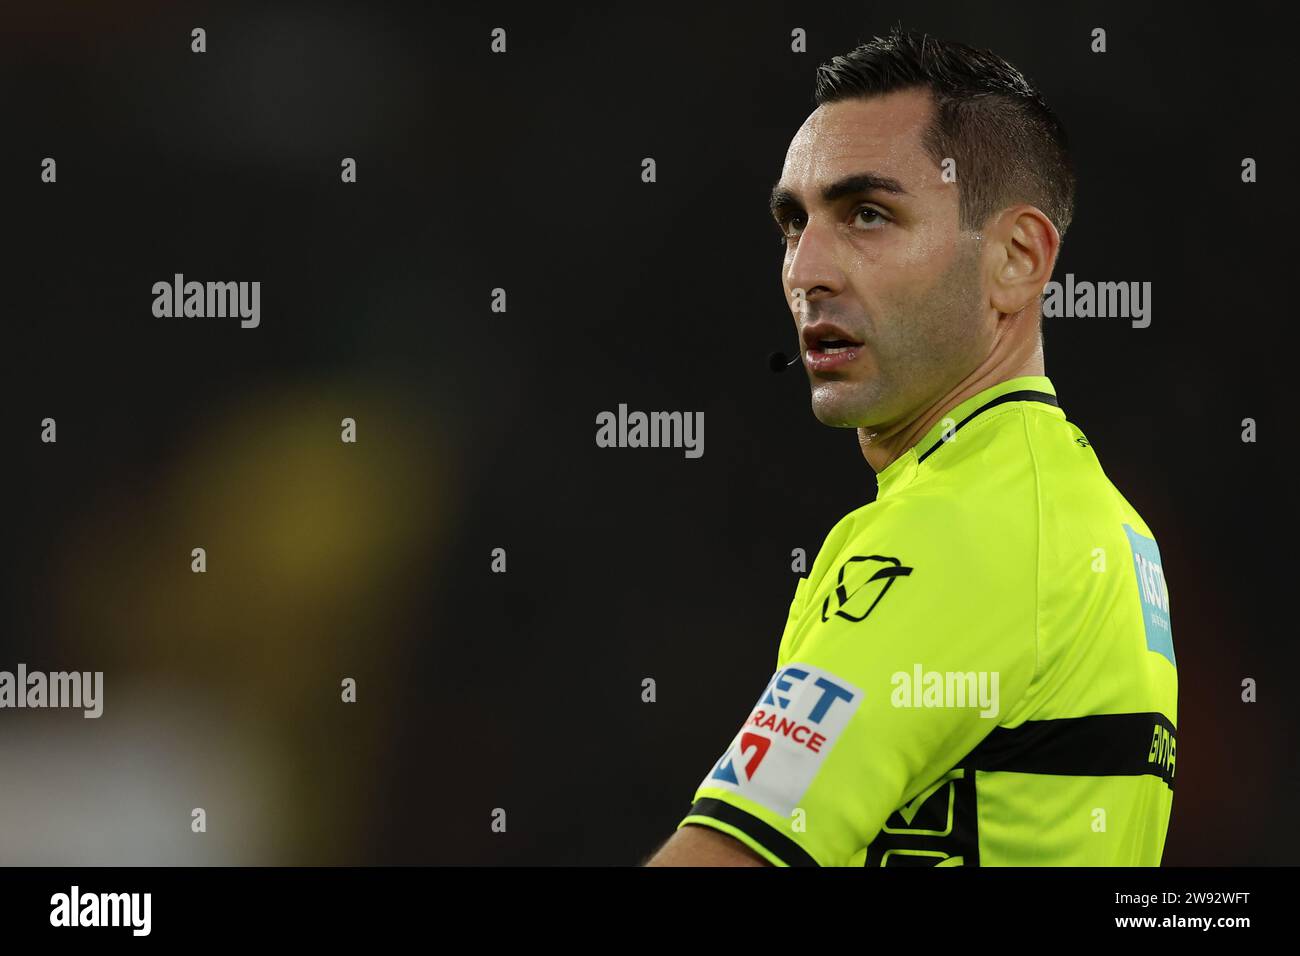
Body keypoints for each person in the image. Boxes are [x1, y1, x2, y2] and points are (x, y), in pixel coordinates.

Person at [645, 27, 1177, 867]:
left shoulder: (969, 527)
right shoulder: (1080, 511)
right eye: (793, 222)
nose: (805, 268)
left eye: (867, 214)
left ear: (1017, 258)